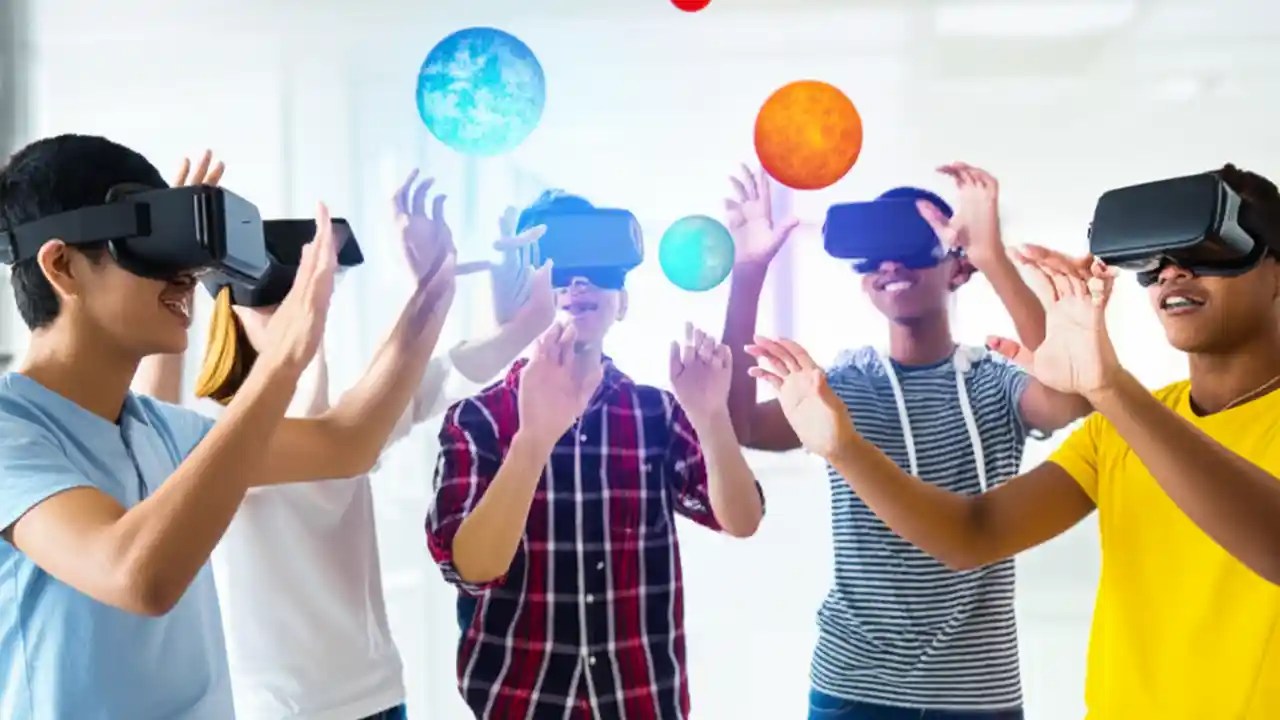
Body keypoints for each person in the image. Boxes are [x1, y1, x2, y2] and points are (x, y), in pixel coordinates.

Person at [746, 163, 1280, 719]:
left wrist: (1107, 386)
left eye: (1211, 250)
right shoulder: (1114, 429)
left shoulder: (1121, 410)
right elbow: (971, 535)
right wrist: (845, 450)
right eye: (1158, 259)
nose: (1173, 273)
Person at [0, 135, 457, 720]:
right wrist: (281, 361)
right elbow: (138, 576)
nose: (187, 277)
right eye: (149, 247)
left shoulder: (161, 431)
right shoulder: (13, 432)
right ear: (61, 265)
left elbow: (349, 442)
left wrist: (432, 291)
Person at [131, 160, 555, 720]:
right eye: (272, 297)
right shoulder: (208, 435)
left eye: (310, 294)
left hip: (379, 698)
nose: (294, 309)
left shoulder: (348, 420)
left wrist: (511, 311)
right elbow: (151, 427)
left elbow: (452, 370)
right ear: (228, 310)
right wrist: (174, 261)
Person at [720, 163, 1091, 719]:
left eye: (914, 246)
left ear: (956, 267)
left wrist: (992, 256)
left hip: (976, 693)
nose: (890, 264)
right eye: (873, 253)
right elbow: (739, 423)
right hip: (853, 687)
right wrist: (748, 272)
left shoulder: (994, 379)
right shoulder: (842, 386)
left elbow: (1067, 398)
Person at [427, 190, 766, 719]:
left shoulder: (656, 412)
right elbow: (472, 567)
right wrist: (534, 437)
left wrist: (712, 416)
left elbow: (742, 520)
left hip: (640, 700)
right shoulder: (478, 420)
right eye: (559, 270)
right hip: (520, 702)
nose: (578, 283)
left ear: (623, 302)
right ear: (527, 291)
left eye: (599, 270)